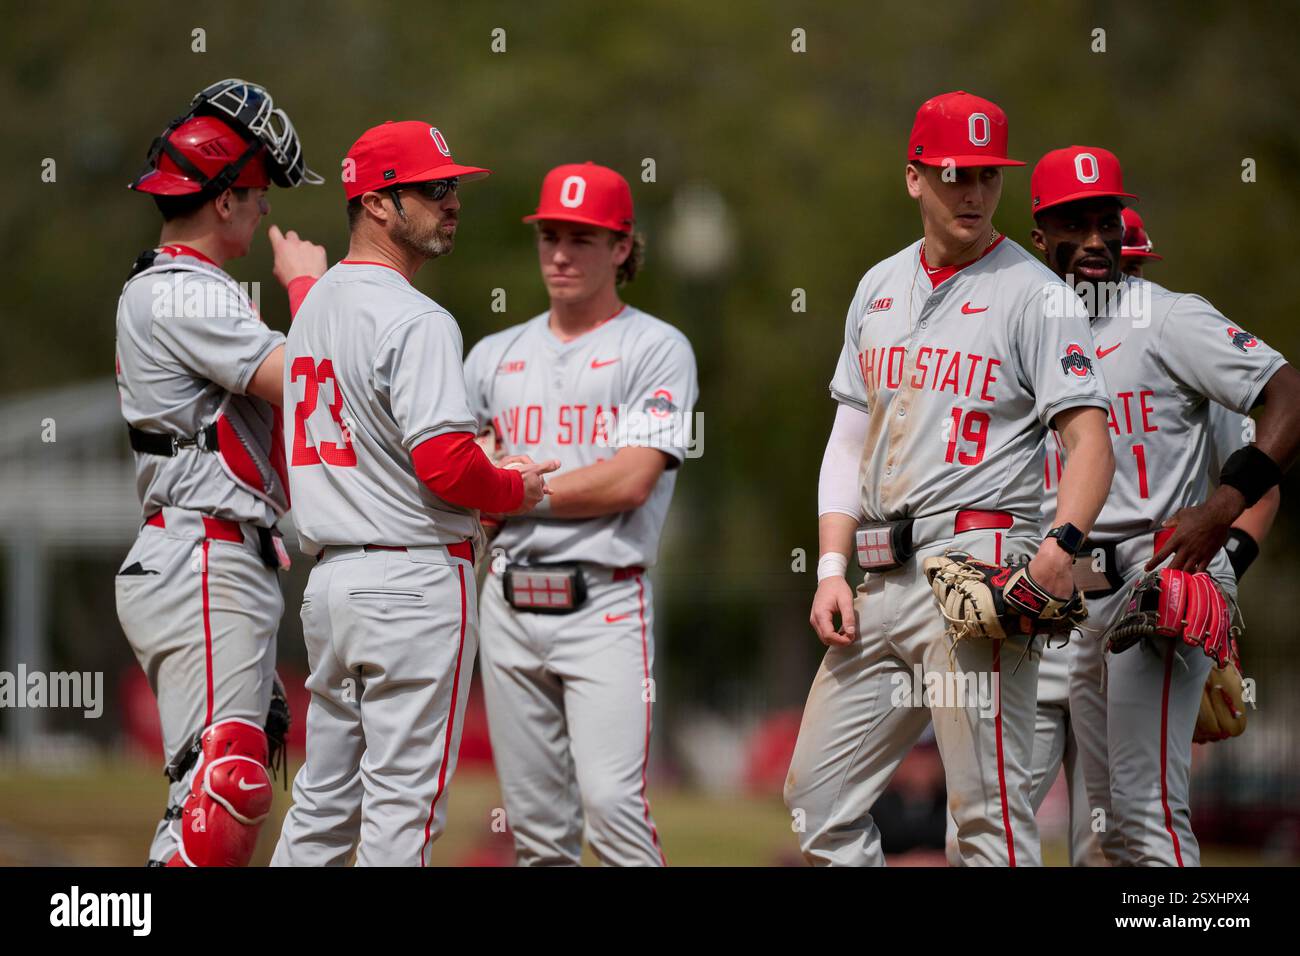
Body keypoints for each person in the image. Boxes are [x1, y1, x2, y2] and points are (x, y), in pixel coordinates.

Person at [784, 92, 1115, 867]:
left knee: (986, 822)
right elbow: (847, 442)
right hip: (877, 580)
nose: (972, 192)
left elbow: (1090, 444)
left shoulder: (1036, 294)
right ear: (914, 177)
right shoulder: (877, 287)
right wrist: (830, 568)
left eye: (988, 176)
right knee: (815, 805)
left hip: (978, 575)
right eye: (954, 173)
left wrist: (1061, 547)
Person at [271, 121, 555, 866]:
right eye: (432, 189)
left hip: (332, 583)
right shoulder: (418, 319)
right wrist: (513, 488)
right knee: (403, 812)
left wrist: (301, 278)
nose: (450, 200)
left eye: (452, 186)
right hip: (413, 582)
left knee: (323, 807)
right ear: (376, 204)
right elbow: (445, 466)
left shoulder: (312, 311)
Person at [1027, 145, 1300, 865]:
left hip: (1158, 584)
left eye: (1106, 221)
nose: (1094, 239)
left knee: (1146, 818)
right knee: (1104, 831)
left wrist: (1223, 520)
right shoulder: (1033, 330)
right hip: (1075, 598)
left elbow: (1288, 397)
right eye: (1073, 223)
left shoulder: (1169, 320)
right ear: (1039, 236)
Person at [114, 78, 325, 866]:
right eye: (257, 192)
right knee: (224, 796)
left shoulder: (183, 289)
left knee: (203, 804)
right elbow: (307, 379)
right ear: (226, 200)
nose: (266, 209)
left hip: (215, 556)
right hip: (202, 555)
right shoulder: (179, 293)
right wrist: (308, 286)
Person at [463, 162, 698, 866]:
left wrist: (512, 488)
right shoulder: (492, 355)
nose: (560, 254)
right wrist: (492, 486)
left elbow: (630, 479)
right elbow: (466, 480)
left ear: (622, 247)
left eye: (583, 239)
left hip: (604, 599)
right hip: (506, 598)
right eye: (550, 236)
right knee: (536, 832)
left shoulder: (654, 347)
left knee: (613, 809)